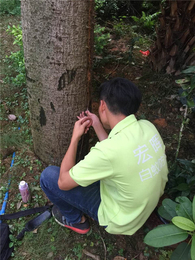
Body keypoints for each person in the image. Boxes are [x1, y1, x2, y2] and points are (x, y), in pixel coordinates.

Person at [40, 77, 168, 235]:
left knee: (48, 177)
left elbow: (63, 182)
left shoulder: (107, 152)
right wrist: (97, 124)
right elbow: (118, 152)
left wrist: (75, 138)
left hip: (120, 220)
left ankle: (76, 221)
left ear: (102, 105)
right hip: (142, 207)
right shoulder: (147, 127)